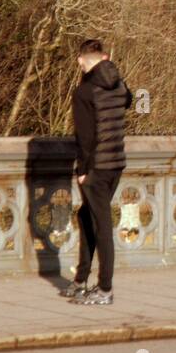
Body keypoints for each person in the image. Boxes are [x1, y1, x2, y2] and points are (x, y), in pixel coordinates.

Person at [65, 38, 133, 305]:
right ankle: (81, 279)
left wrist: (82, 170)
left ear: (84, 59)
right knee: (87, 217)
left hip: (96, 167)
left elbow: (85, 136)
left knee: (102, 225)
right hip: (116, 162)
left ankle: (105, 289)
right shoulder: (119, 84)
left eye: (79, 59)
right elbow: (128, 101)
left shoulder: (84, 92)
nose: (78, 63)